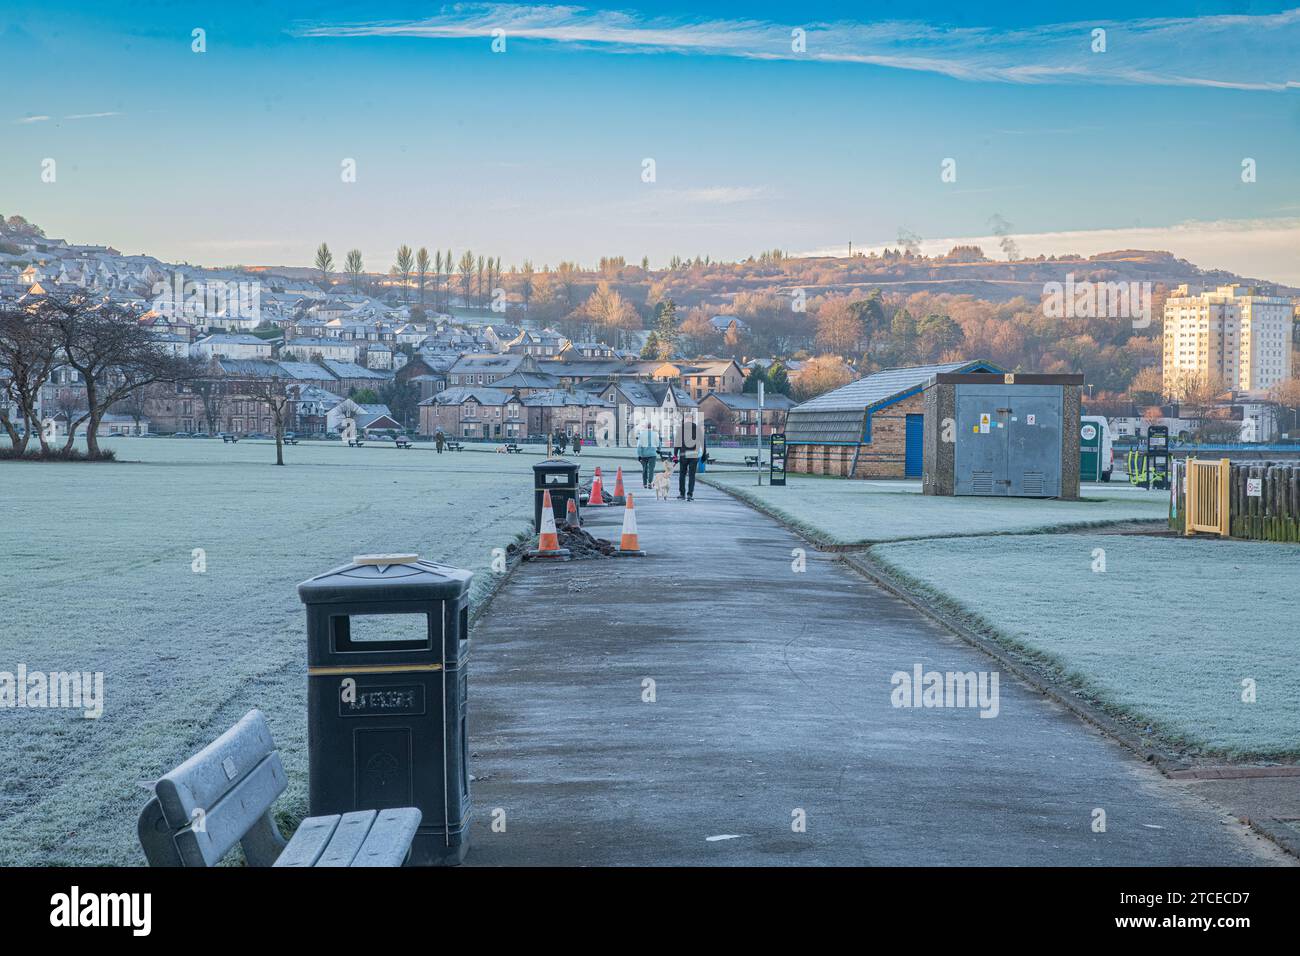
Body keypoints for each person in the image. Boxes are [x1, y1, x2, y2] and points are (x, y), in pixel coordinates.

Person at [674, 415, 704, 501]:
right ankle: (690, 494)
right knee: (691, 475)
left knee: (682, 474)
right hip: (694, 455)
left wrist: (675, 455)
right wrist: (704, 454)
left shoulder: (681, 429)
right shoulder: (697, 428)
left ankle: (682, 494)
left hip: (683, 454)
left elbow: (677, 443)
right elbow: (702, 442)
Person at [635, 422, 661, 489]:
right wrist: (659, 449)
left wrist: (639, 455)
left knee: (644, 469)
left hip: (644, 454)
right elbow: (658, 443)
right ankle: (650, 483)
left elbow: (639, 446)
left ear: (645, 427)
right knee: (651, 469)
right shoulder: (655, 434)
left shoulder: (641, 434)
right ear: (651, 427)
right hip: (652, 454)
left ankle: (644, 484)